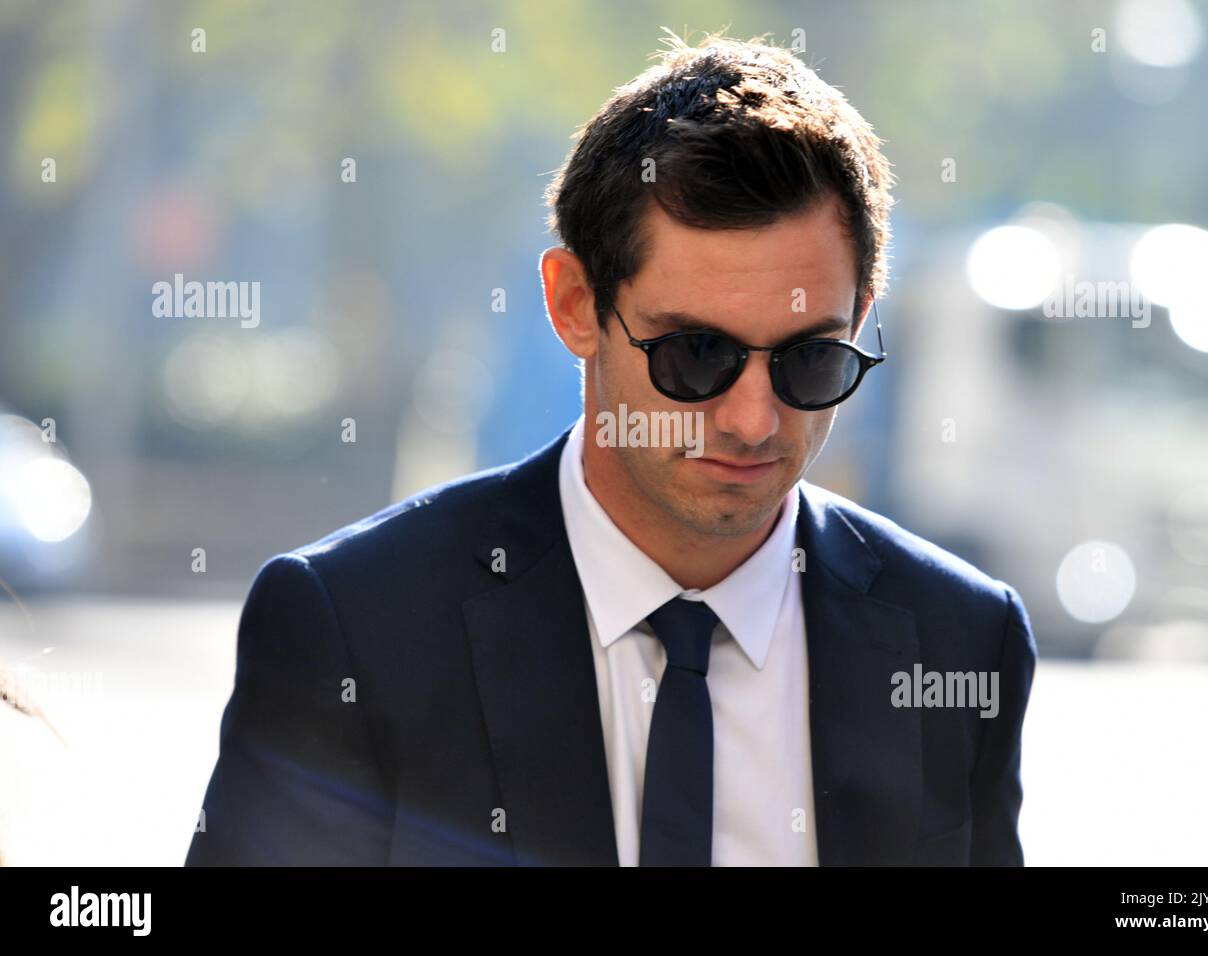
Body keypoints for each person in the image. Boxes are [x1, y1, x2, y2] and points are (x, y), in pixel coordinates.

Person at [186, 31, 1037, 867]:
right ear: (573, 305)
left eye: (811, 359)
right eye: (696, 355)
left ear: (861, 318)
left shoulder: (960, 640)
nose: (753, 419)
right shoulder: (355, 629)